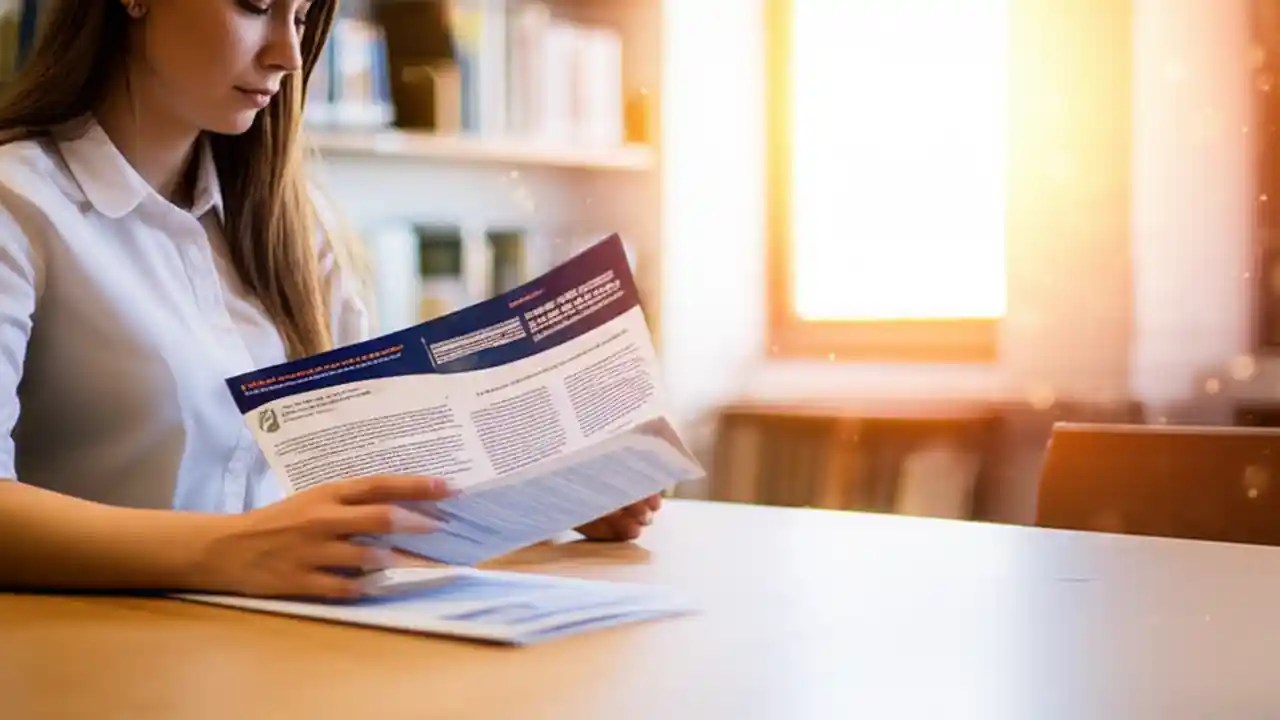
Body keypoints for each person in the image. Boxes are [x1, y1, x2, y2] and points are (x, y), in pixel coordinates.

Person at [0, 0, 660, 600]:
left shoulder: (286, 229)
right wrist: (231, 552)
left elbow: (358, 468)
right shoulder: (19, 203)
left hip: (278, 650)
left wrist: (536, 495)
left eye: (302, 17)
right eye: (257, 6)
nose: (287, 54)